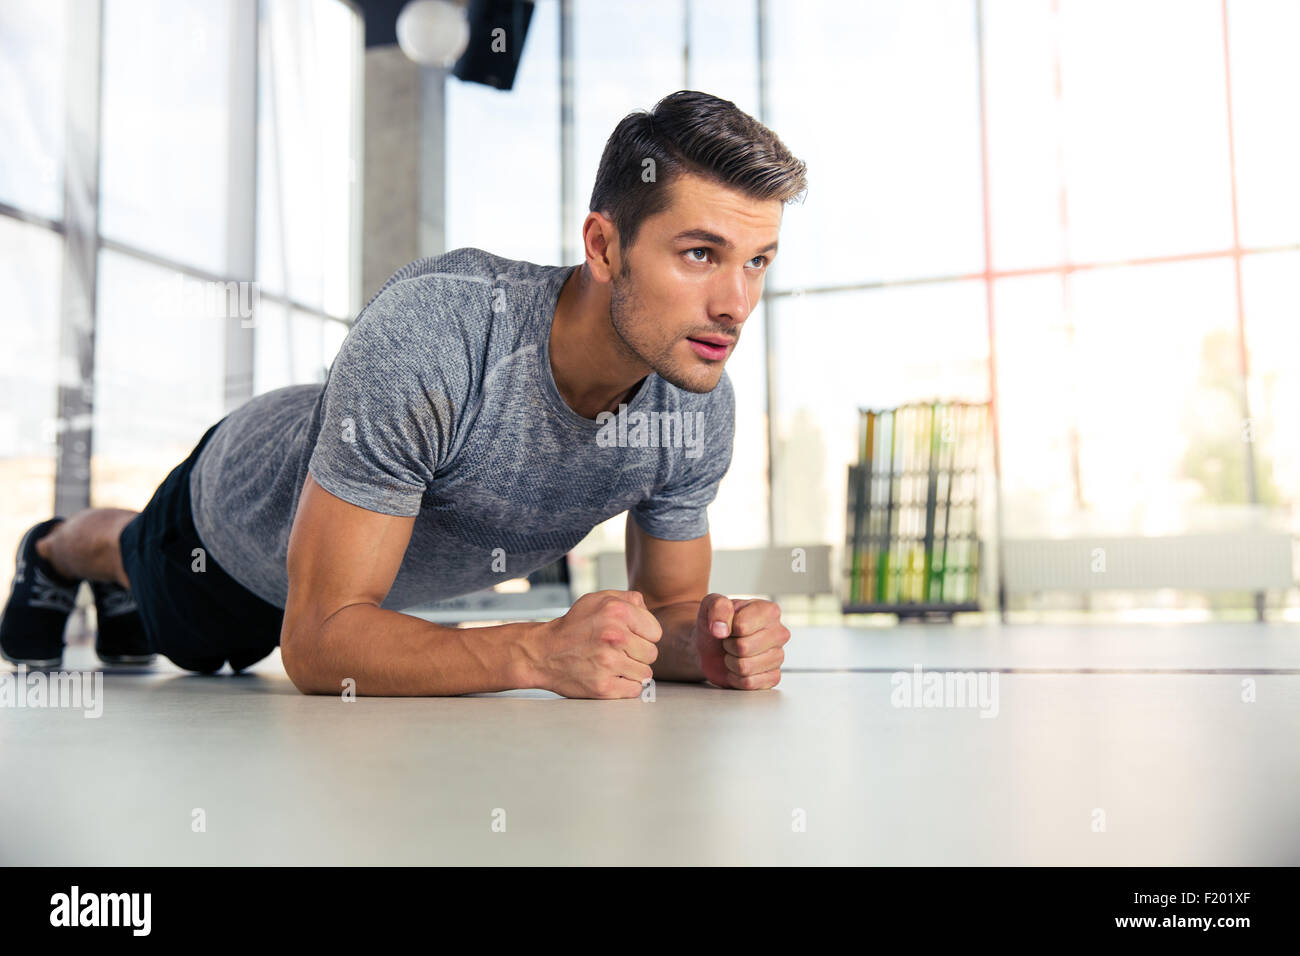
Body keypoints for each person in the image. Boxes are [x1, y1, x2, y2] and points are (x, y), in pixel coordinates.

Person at [1, 90, 804, 698]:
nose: (736, 304)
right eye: (701, 253)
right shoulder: (444, 329)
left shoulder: (694, 401)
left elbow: (667, 611)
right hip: (232, 527)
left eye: (758, 261)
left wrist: (705, 643)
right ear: (603, 245)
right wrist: (531, 649)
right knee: (156, 583)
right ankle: (52, 548)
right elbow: (316, 643)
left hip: (349, 592)